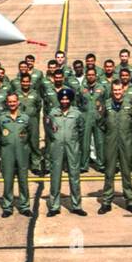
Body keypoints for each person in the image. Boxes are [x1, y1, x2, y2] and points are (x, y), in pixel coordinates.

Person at [96, 81, 132, 213]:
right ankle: (106, 202)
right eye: (115, 90)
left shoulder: (129, 105)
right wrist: (110, 133)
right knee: (109, 172)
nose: (117, 92)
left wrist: (127, 134)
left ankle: (130, 201)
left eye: (119, 90)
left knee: (126, 172)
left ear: (123, 90)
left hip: (125, 143)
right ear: (112, 90)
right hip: (110, 142)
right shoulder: (107, 104)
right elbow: (100, 121)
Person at [45, 89, 87, 217]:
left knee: (74, 176)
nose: (64, 101)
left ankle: (76, 205)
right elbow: (48, 129)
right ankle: (54, 206)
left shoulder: (77, 113)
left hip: (72, 147)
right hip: (56, 147)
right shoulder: (53, 113)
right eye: (62, 99)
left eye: (67, 99)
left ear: (70, 100)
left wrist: (74, 141)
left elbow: (81, 129)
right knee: (55, 176)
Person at [0, 92, 33, 217]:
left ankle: (24, 206)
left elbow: (31, 136)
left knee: (23, 180)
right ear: (7, 103)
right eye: (9, 102)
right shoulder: (1, 119)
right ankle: (7, 207)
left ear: (18, 102)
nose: (12, 104)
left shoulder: (26, 118)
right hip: (7, 153)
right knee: (8, 180)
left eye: (14, 101)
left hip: (22, 153)